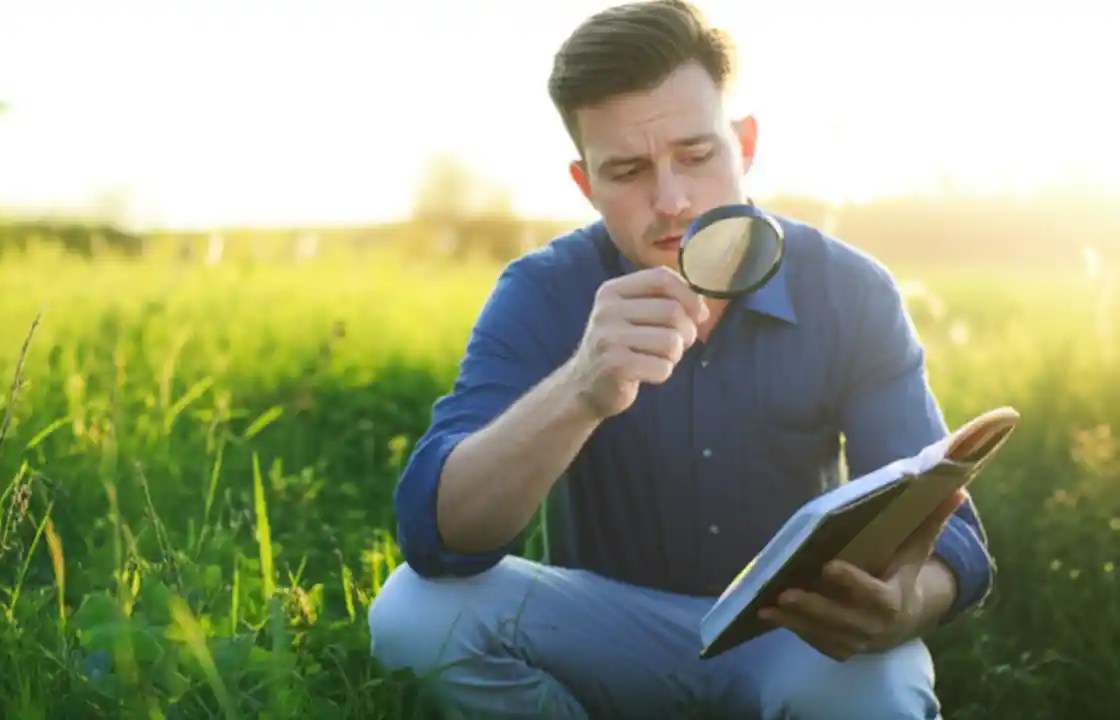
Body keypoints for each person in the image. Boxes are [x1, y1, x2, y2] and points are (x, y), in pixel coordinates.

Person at [367, 1, 994, 717]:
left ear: (745, 143)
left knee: (884, 683)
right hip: (606, 630)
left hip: (789, 629)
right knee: (414, 614)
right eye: (628, 170)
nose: (672, 201)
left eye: (697, 156)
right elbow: (437, 539)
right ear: (585, 183)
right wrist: (581, 389)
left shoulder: (848, 290)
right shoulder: (543, 289)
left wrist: (904, 605)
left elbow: (953, 532)